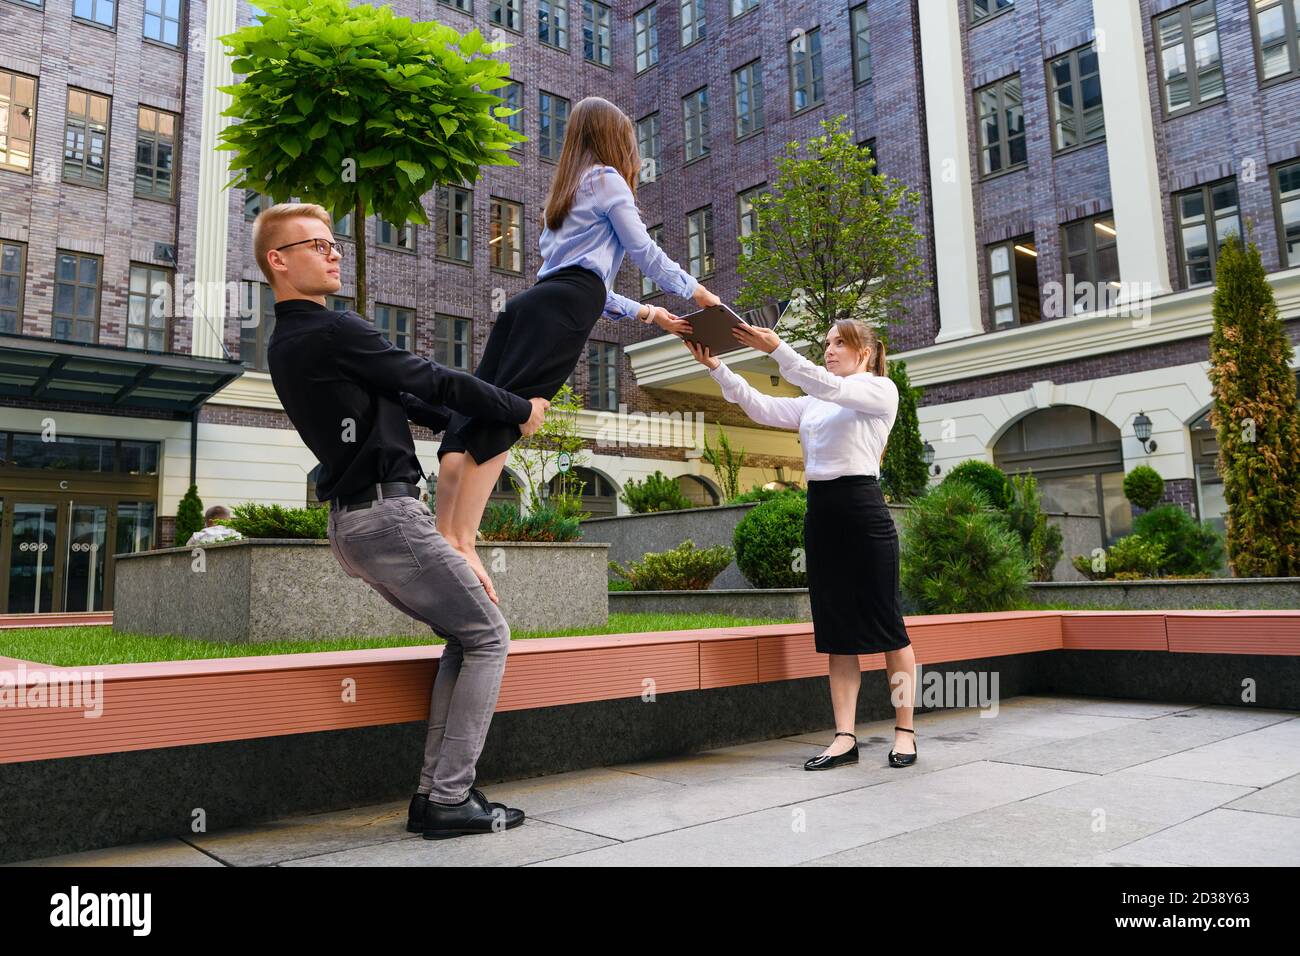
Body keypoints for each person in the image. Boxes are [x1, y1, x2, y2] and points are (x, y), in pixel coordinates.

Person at [256, 201, 550, 839]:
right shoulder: (331, 330)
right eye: (316, 244)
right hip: (388, 516)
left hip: (356, 523)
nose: (333, 252)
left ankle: (433, 798)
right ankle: (449, 798)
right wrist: (516, 407)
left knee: (466, 636)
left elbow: (407, 399)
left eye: (334, 243)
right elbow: (430, 377)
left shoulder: (288, 341)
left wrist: (483, 426)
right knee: (491, 636)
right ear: (278, 260)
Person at [425, 95, 722, 604]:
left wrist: (650, 315)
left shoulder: (565, 192)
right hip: (564, 310)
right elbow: (643, 252)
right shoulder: (609, 179)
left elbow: (584, 280)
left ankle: (444, 535)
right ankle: (465, 542)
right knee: (517, 414)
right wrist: (697, 292)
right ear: (614, 139)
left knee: (476, 407)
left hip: (532, 304)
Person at [685, 318, 919, 769]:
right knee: (836, 632)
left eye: (838, 344)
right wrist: (718, 368)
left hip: (864, 512)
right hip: (823, 514)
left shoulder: (878, 390)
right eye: (826, 343)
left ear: (864, 353)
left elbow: (824, 385)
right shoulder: (816, 400)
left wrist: (777, 348)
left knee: (889, 624)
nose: (829, 350)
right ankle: (844, 737)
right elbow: (762, 409)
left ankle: (905, 731)